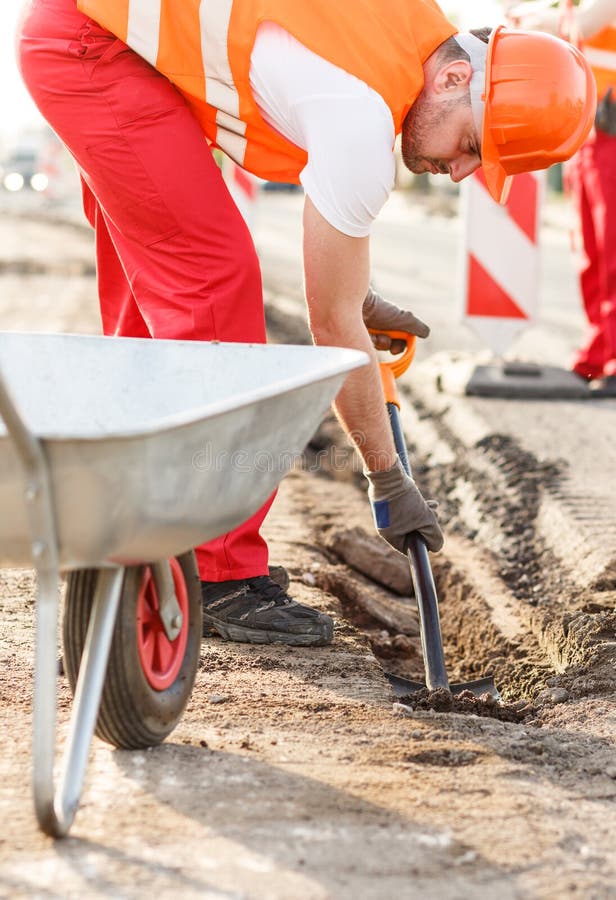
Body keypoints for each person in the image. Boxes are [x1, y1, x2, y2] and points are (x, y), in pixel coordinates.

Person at [16, 0, 595, 648]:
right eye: (471, 146)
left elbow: (336, 282)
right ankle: (218, 572)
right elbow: (330, 324)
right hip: (100, 46)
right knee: (214, 283)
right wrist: (386, 479)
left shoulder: (411, 27)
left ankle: (124, 528)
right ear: (455, 79)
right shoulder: (365, 118)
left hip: (99, 35)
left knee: (154, 290)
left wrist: (353, 292)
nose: (459, 171)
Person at [509, 0, 616, 393]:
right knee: (590, 254)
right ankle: (599, 354)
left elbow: (586, 26)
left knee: (612, 255)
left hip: (613, 133)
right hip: (589, 133)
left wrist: (536, 19)